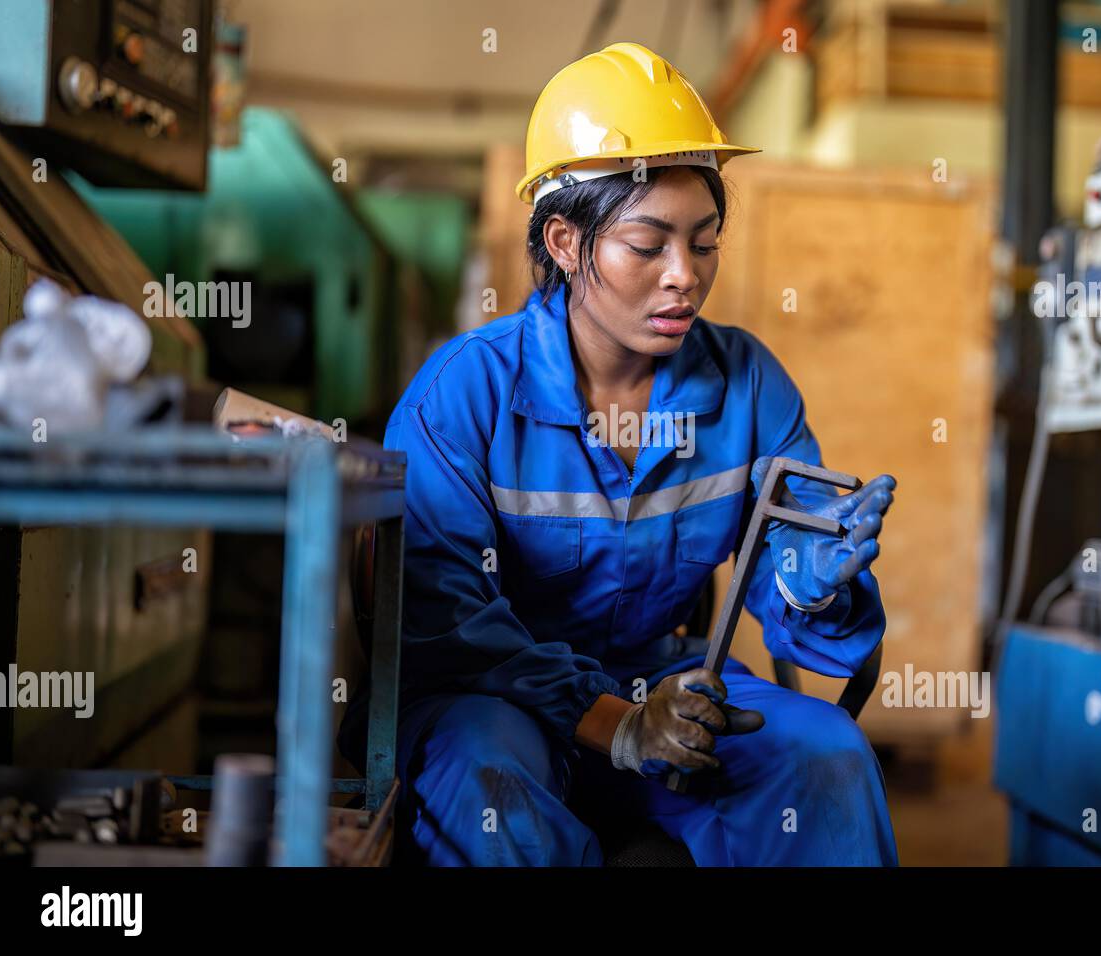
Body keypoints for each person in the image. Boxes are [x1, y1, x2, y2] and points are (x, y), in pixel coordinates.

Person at [342, 41, 898, 866]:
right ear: (566, 243)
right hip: (496, 698)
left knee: (826, 757)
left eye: (704, 243)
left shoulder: (746, 384)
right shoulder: (464, 393)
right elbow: (440, 623)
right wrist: (610, 723)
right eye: (648, 245)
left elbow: (795, 545)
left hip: (665, 685)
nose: (685, 276)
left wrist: (806, 584)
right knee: (485, 781)